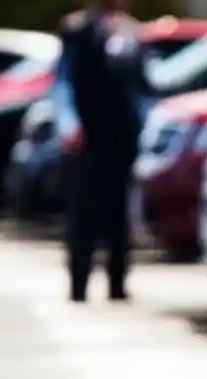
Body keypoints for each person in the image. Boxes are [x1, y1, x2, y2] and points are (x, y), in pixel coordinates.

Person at [52, 0, 152, 303]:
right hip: (86, 140)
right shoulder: (77, 30)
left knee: (120, 214)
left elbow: (143, 88)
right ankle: (79, 283)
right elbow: (62, 82)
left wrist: (148, 126)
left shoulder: (132, 32)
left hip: (122, 140)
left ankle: (118, 283)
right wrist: (68, 123)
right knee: (83, 214)